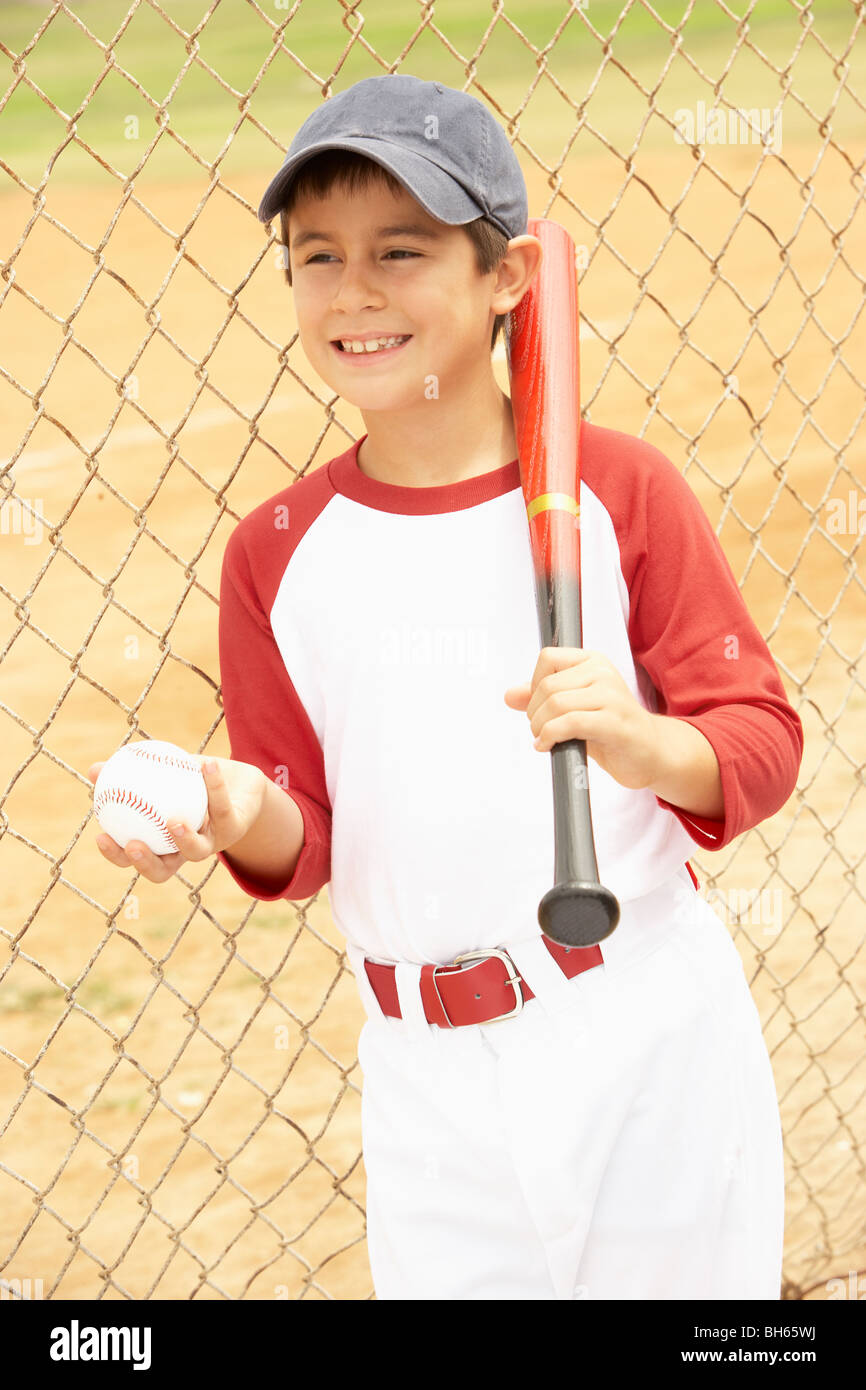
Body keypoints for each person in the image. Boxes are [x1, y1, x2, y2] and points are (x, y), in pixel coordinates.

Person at [89, 74, 803, 1301]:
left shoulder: (617, 494)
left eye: (402, 250)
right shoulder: (276, 547)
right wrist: (221, 801)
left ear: (507, 278)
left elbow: (758, 737)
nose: (353, 292)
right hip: (423, 1080)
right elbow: (298, 825)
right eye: (317, 257)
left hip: (637, 1035)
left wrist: (639, 743)